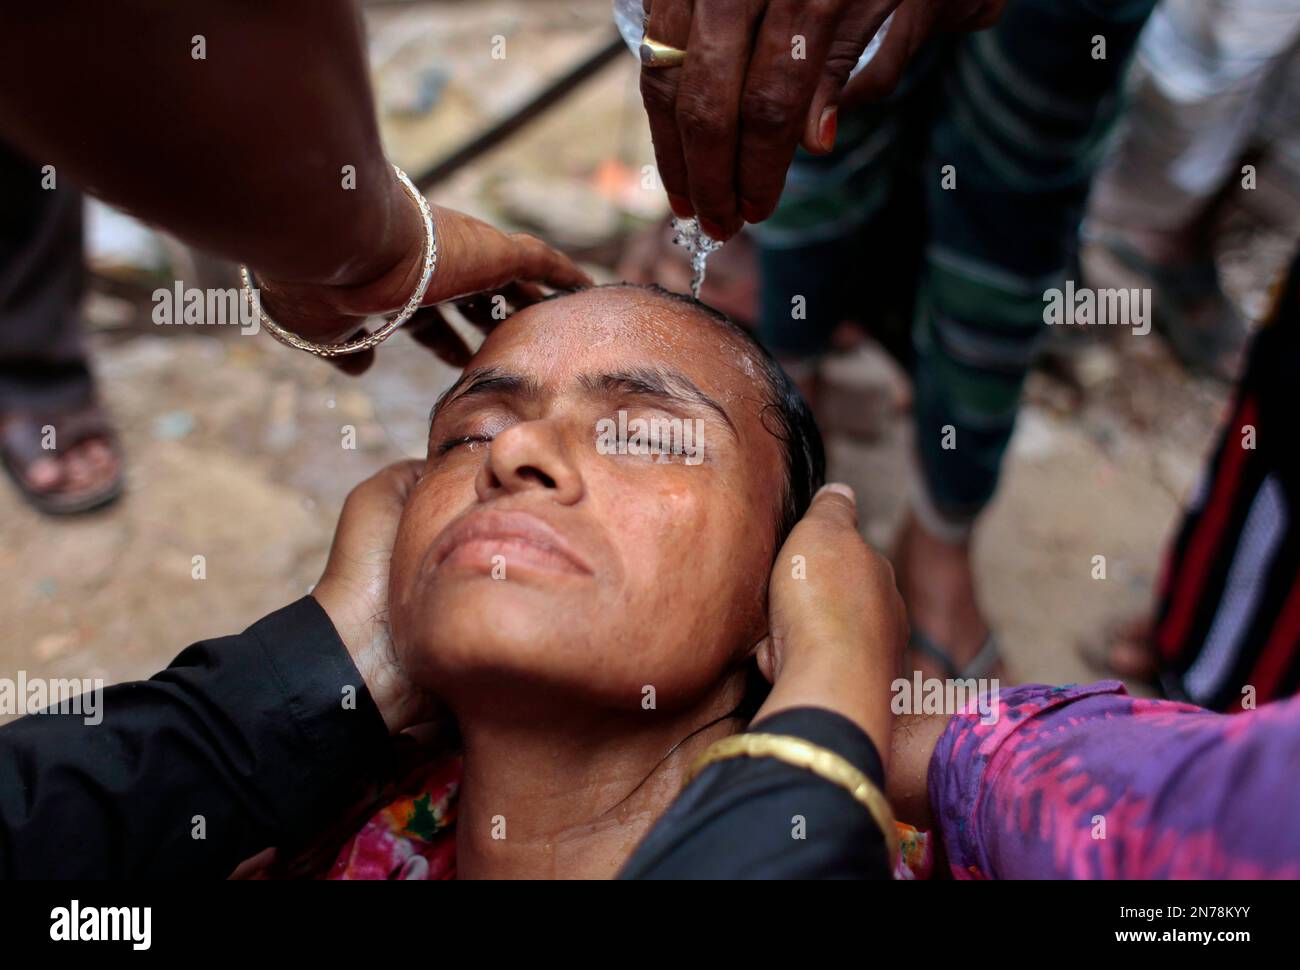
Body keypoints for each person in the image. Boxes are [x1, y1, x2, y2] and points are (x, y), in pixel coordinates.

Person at [0, 284, 907, 880]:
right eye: (468, 434)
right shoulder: (269, 853)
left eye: (645, 434)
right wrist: (330, 666)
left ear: (790, 584)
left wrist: (835, 677)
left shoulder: (1020, 829)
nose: (514, 450)